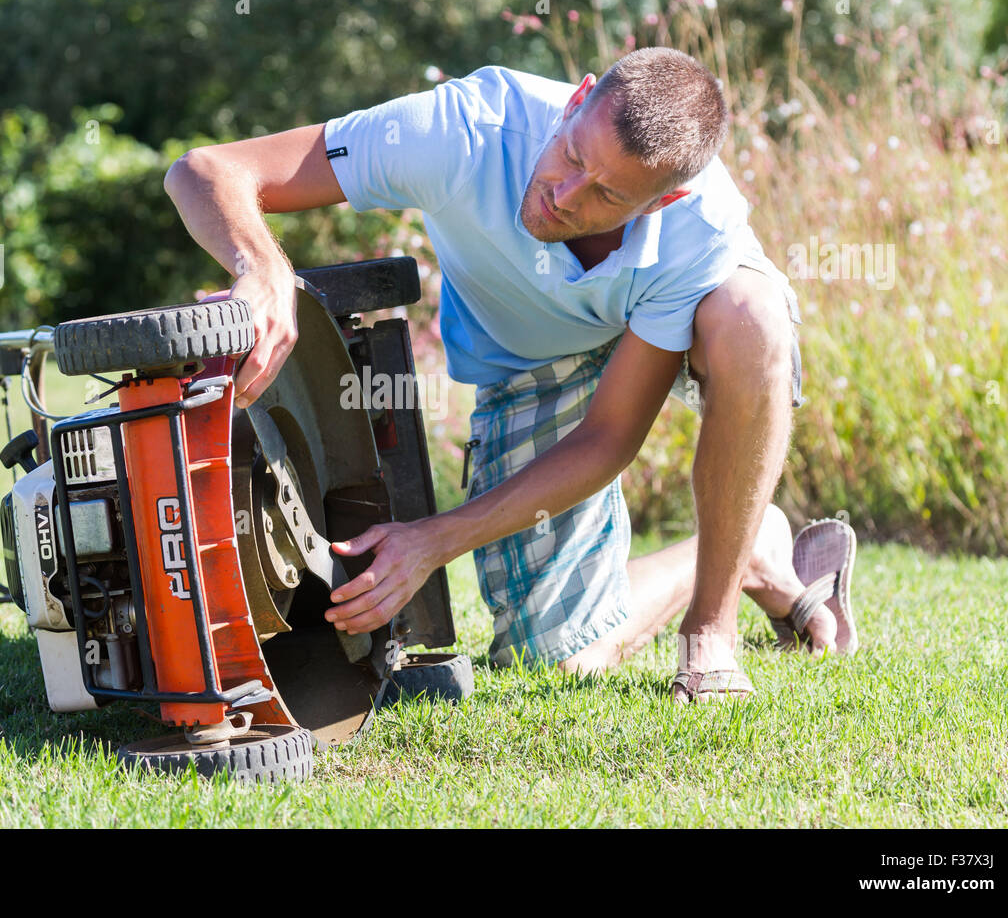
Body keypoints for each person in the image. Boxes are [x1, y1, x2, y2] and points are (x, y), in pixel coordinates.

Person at [164, 47, 858, 703]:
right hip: (531, 361)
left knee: (751, 316)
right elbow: (205, 170)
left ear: (659, 204)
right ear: (577, 100)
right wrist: (264, 268)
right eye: (572, 154)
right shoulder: (460, 130)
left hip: (664, 331)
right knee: (553, 656)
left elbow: (611, 434)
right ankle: (755, 545)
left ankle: (711, 629)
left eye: (608, 195)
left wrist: (434, 541)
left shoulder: (698, 225)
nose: (565, 192)